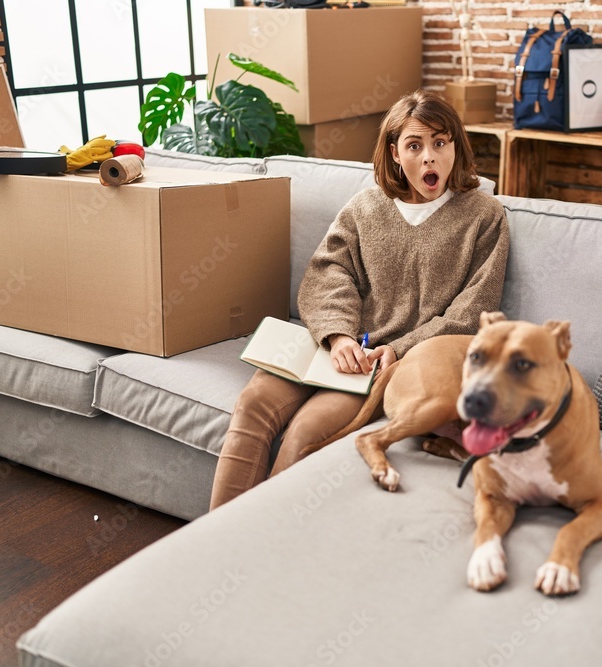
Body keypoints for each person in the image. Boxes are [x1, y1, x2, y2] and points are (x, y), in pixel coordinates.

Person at [209, 89, 510, 510]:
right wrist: (338, 336)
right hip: (329, 345)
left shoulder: (484, 216)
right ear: (393, 153)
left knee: (304, 432)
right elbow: (328, 272)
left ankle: (262, 548)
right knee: (253, 405)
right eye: (415, 145)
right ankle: (215, 545)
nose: (429, 158)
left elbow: (472, 312)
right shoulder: (365, 205)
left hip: (382, 365)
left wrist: (396, 349)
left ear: (456, 148)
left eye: (441, 144)